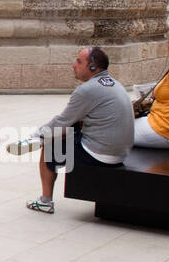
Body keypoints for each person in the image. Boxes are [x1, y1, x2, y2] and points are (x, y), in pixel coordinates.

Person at [26, 46, 133, 214]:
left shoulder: (86, 90)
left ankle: (45, 201)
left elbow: (62, 121)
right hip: (121, 153)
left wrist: (37, 136)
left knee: (49, 145)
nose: (73, 65)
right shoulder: (115, 84)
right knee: (69, 129)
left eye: (78, 61)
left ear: (92, 67)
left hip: (101, 155)